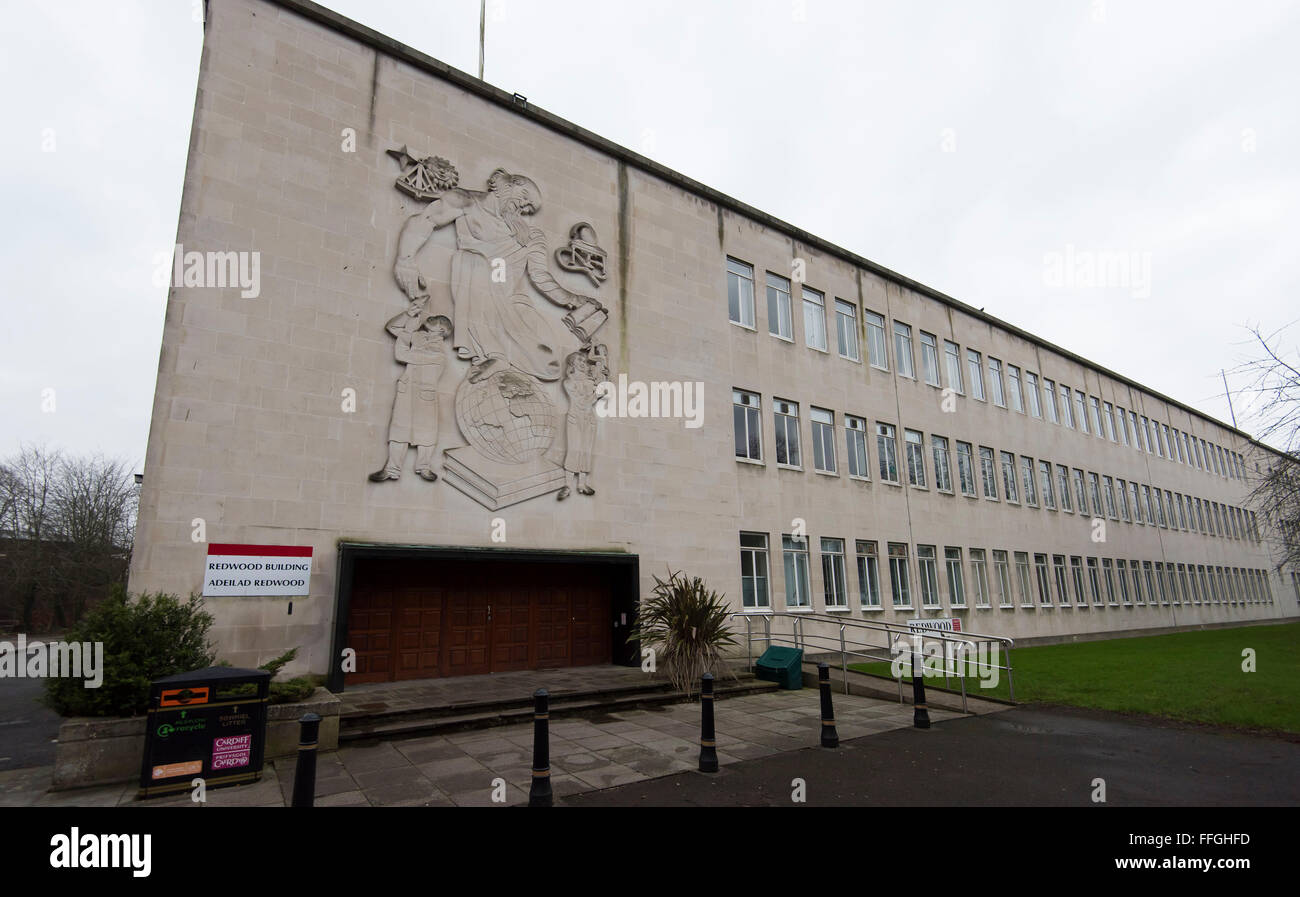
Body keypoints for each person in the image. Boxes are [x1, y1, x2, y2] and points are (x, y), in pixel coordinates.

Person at [370, 305, 451, 483]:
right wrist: (410, 314)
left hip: (425, 394)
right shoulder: (419, 338)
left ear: (442, 330)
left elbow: (401, 354)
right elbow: (392, 328)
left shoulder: (438, 355)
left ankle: (424, 466)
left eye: (437, 320)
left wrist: (407, 334)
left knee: (426, 433)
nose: (432, 319)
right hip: (407, 390)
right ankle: (391, 469)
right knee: (399, 429)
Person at [557, 348, 606, 500]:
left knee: (586, 450)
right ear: (572, 363)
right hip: (575, 418)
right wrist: (596, 396)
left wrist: (601, 362)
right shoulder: (569, 382)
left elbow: (603, 381)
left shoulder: (590, 381)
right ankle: (567, 485)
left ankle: (582, 485)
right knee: (574, 449)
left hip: (589, 419)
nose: (583, 363)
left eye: (584, 361)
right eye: (580, 361)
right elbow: (580, 402)